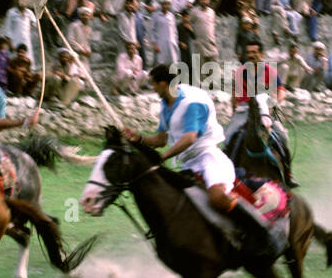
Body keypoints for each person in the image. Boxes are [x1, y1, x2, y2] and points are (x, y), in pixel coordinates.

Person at [121, 64, 279, 256]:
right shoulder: (165, 104)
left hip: (208, 156)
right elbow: (160, 139)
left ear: (163, 84)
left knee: (217, 197)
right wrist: (138, 138)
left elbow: (190, 137)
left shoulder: (191, 103)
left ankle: (264, 234)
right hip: (186, 163)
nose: (152, 89)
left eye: (153, 85)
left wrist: (161, 157)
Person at [226, 41, 295, 187]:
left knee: (282, 135)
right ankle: (227, 173)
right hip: (245, 109)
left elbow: (281, 90)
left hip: (266, 108)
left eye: (254, 52)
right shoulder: (240, 72)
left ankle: (288, 174)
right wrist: (234, 111)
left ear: (261, 54)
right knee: (227, 137)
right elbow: (235, 94)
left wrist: (275, 101)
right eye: (249, 52)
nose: (251, 55)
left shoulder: (270, 71)